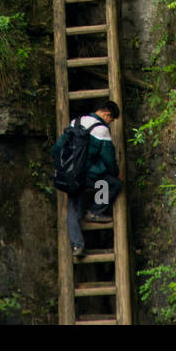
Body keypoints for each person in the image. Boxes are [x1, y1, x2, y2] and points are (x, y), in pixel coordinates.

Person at [54, 101, 123, 259]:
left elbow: (58, 147)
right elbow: (109, 158)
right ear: (107, 114)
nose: (110, 123)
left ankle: (77, 245)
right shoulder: (101, 129)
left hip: (70, 175)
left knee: (73, 208)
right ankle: (95, 211)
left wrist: (63, 170)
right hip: (89, 176)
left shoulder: (75, 122)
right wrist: (116, 172)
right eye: (111, 120)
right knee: (110, 184)